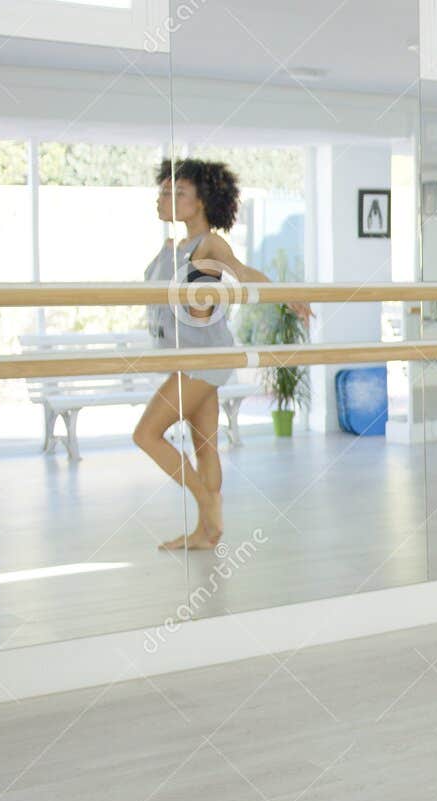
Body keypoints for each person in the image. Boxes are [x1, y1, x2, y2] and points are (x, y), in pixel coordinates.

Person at [135, 158, 312, 551]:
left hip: (204, 358)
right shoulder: (172, 247)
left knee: (146, 434)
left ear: (200, 203)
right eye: (163, 191)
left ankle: (206, 505)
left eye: (177, 192)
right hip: (189, 358)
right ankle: (206, 532)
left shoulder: (208, 244)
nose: (164, 198)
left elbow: (244, 273)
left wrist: (287, 296)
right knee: (205, 447)